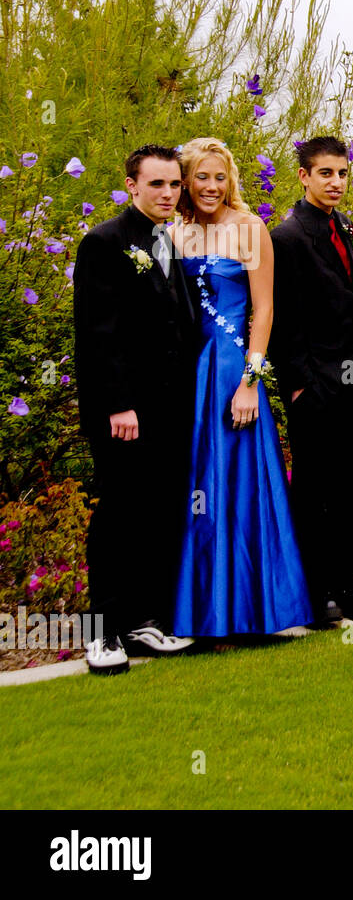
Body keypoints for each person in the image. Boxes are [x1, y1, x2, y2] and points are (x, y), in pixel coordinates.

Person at [172, 138, 313, 636]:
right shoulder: (172, 231)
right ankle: (195, 612)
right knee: (193, 482)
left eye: (219, 177)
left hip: (234, 368)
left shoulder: (250, 229)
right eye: (201, 177)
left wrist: (251, 381)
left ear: (230, 180)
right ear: (185, 181)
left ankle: (262, 609)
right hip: (187, 373)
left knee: (241, 479)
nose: (211, 187)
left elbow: (265, 309)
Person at [73, 144, 197, 674]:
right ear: (132, 186)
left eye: (174, 186)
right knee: (119, 513)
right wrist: (120, 404)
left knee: (162, 511)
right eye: (157, 186)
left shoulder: (166, 239)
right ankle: (100, 633)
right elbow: (98, 335)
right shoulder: (103, 242)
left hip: (171, 409)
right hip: (125, 412)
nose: (169, 194)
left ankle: (145, 621)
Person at [270, 136, 353, 623]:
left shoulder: (346, 229)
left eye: (342, 173)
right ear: (304, 176)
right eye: (325, 173)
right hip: (313, 383)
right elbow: (280, 319)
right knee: (314, 490)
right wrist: (300, 384)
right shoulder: (286, 237)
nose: (335, 182)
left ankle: (348, 585)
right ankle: (316, 593)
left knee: (351, 486)